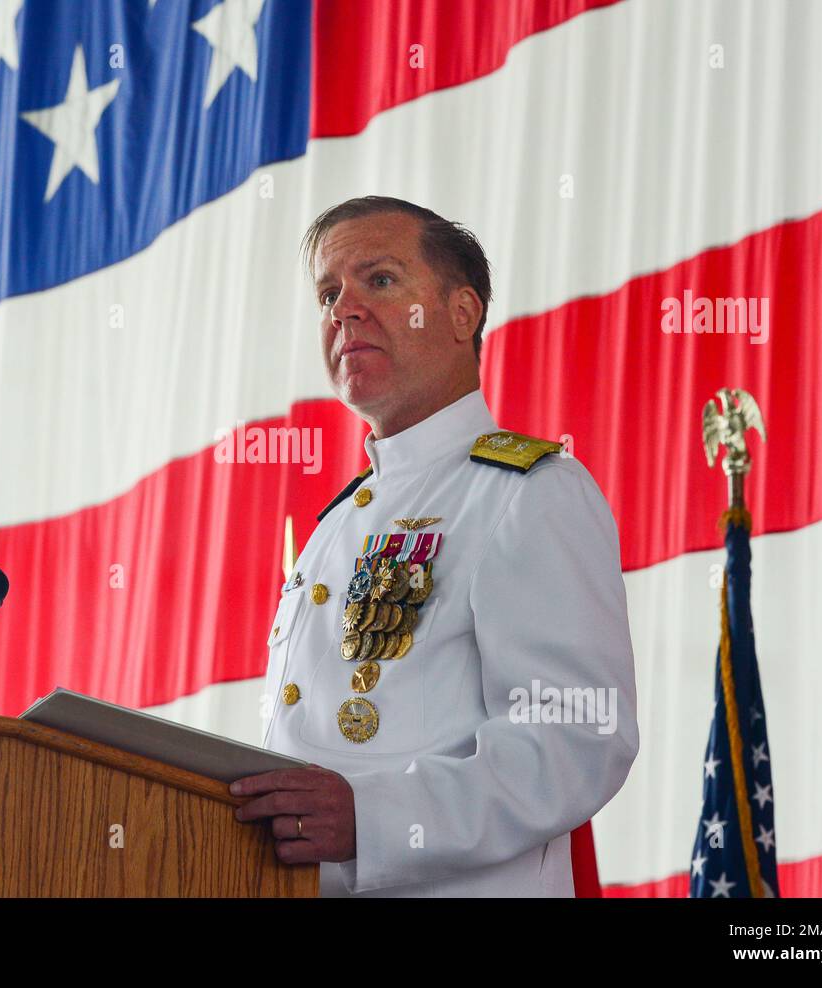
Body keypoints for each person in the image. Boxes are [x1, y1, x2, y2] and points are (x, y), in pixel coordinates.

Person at [231, 196, 639, 896]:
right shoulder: (335, 526)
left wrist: (373, 818)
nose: (344, 309)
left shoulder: (528, 492)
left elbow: (575, 740)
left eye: (380, 280)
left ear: (462, 313)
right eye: (329, 293)